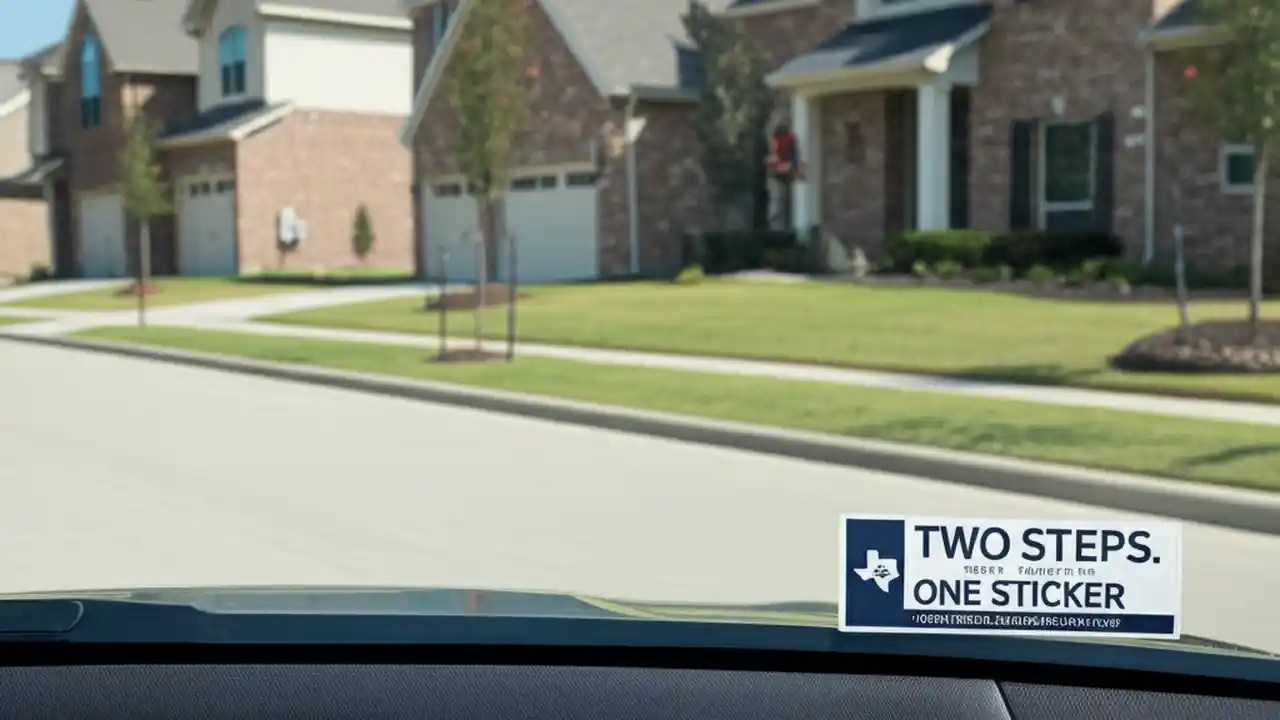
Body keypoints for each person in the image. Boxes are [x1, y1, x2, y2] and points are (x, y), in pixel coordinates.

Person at [766, 123, 800, 230]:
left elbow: (791, 161)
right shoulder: (780, 141)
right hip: (779, 178)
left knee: (781, 205)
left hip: (785, 177)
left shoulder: (787, 141)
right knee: (778, 204)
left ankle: (781, 228)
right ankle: (777, 227)